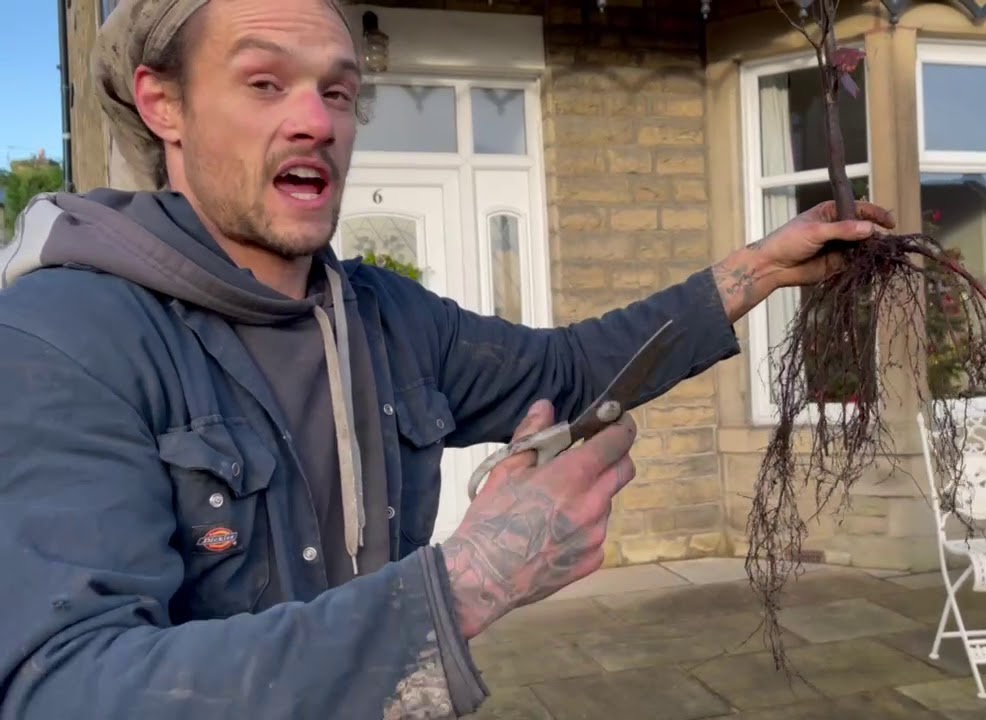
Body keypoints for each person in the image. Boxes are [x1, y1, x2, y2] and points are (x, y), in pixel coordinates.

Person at [0, 0, 894, 718]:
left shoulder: (384, 316)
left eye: (338, 92)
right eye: (265, 83)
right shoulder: (66, 336)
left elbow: (565, 370)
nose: (315, 121)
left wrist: (756, 271)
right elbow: (67, 684)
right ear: (164, 105)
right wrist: (469, 582)